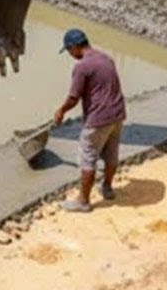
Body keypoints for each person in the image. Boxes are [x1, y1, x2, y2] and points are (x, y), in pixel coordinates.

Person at [53, 29, 127, 212]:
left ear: (75, 47)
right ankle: (108, 188)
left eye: (69, 51)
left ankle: (83, 201)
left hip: (99, 119)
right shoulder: (106, 58)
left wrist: (61, 111)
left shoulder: (82, 66)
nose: (70, 55)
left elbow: (73, 97)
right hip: (117, 115)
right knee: (111, 154)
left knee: (88, 158)